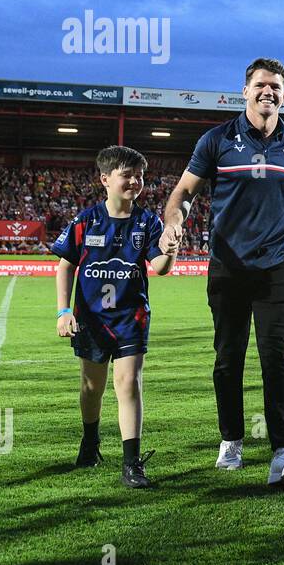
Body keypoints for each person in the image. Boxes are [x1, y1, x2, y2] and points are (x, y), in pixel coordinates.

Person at [163, 58, 284, 486]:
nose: (269, 92)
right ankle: (232, 440)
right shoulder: (216, 140)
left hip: (279, 266)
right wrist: (174, 221)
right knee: (228, 359)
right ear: (244, 91)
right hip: (228, 266)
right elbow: (184, 192)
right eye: (261, 85)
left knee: (277, 358)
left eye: (276, 86)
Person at [53, 145, 178, 489]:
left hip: (131, 318)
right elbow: (65, 267)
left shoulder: (148, 222)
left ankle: (131, 464)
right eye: (127, 175)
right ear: (105, 179)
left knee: (128, 383)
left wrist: (170, 248)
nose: (135, 182)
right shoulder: (85, 220)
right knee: (92, 387)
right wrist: (64, 311)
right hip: (90, 319)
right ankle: (91, 441)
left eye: (139, 176)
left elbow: (161, 268)